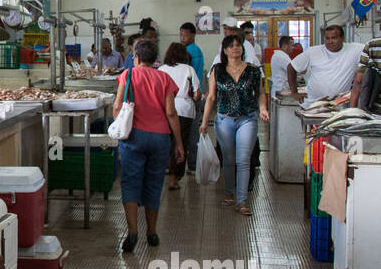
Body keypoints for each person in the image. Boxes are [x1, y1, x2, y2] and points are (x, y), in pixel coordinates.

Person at [113, 39, 184, 253]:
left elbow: (117, 106)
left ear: (136, 57)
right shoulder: (164, 78)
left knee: (131, 182)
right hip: (160, 137)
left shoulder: (128, 75)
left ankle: (133, 230)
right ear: (155, 60)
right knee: (154, 183)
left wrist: (119, 129)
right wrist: (179, 143)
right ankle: (152, 232)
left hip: (133, 136)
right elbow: (171, 112)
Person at [200, 33, 269, 216]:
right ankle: (230, 193)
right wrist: (205, 121)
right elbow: (211, 97)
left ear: (243, 49)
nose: (235, 48)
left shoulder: (253, 70)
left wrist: (263, 108)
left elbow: (260, 93)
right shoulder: (217, 70)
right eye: (231, 46)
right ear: (225, 50)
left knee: (243, 160)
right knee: (229, 160)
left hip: (247, 118)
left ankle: (242, 201)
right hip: (224, 119)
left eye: (238, 45)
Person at [158, 43, 200, 191]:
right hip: (184, 110)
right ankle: (174, 179)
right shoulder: (189, 69)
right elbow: (197, 93)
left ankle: (167, 170)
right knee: (181, 143)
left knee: (167, 142)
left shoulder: (161, 69)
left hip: (164, 109)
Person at [287, 24, 363, 104]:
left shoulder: (353, 50)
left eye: (334, 38)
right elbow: (291, 67)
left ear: (342, 38)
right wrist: (294, 92)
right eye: (327, 38)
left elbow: (371, 47)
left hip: (338, 105)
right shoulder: (313, 51)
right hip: (312, 104)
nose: (330, 41)